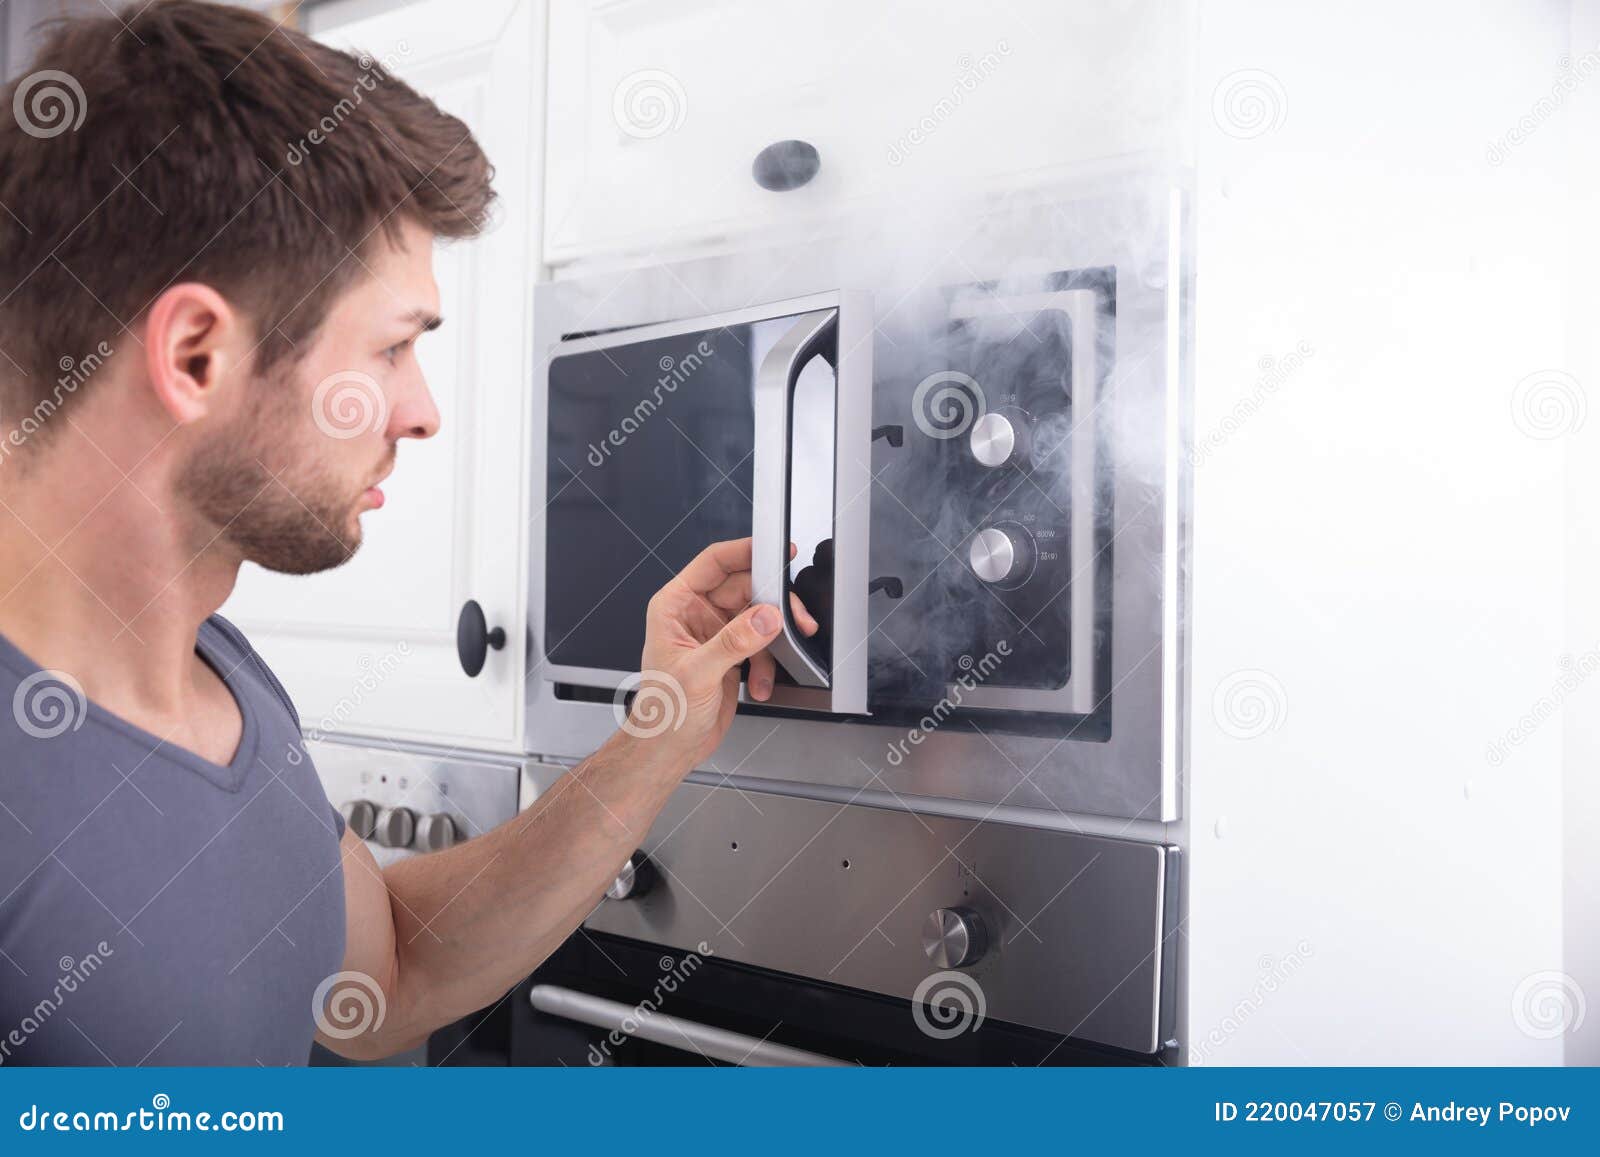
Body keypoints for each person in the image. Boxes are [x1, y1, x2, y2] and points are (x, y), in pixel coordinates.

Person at [0, 0, 813, 1064]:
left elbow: (388, 971)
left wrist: (652, 739)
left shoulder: (222, 677)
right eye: (391, 349)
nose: (423, 409)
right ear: (196, 355)